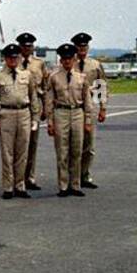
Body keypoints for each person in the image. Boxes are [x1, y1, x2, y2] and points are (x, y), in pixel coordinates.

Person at [43, 43, 96, 196]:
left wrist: (87, 120)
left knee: (77, 150)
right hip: (61, 113)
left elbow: (87, 100)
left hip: (77, 113)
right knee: (62, 151)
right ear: (61, 60)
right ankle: (63, 186)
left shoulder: (81, 78)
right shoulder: (54, 77)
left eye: (69, 59)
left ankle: (76, 184)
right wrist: (50, 123)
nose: (67, 62)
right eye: (64, 59)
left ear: (74, 59)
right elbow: (49, 101)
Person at [0, 43, 37, 198]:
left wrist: (35, 117)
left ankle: (20, 185)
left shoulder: (27, 75)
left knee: (22, 152)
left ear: (19, 58)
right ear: (5, 58)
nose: (12, 60)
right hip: (7, 114)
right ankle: (8, 187)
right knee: (7, 153)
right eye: (9, 57)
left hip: (24, 113)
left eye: (15, 57)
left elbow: (33, 97)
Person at [71, 32, 108, 188]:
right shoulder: (68, 63)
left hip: (90, 107)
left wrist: (103, 108)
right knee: (73, 144)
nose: (82, 49)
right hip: (73, 107)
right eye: (79, 46)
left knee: (89, 145)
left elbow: (101, 85)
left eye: (84, 46)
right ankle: (73, 177)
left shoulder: (94, 65)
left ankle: (85, 175)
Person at [14, 33, 49, 191]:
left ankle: (30, 177)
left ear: (33, 47)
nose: (26, 48)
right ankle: (17, 178)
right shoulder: (14, 61)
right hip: (20, 105)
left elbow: (46, 86)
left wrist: (45, 109)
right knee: (18, 145)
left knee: (32, 144)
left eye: (29, 46)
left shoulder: (39, 64)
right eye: (24, 46)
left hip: (35, 106)